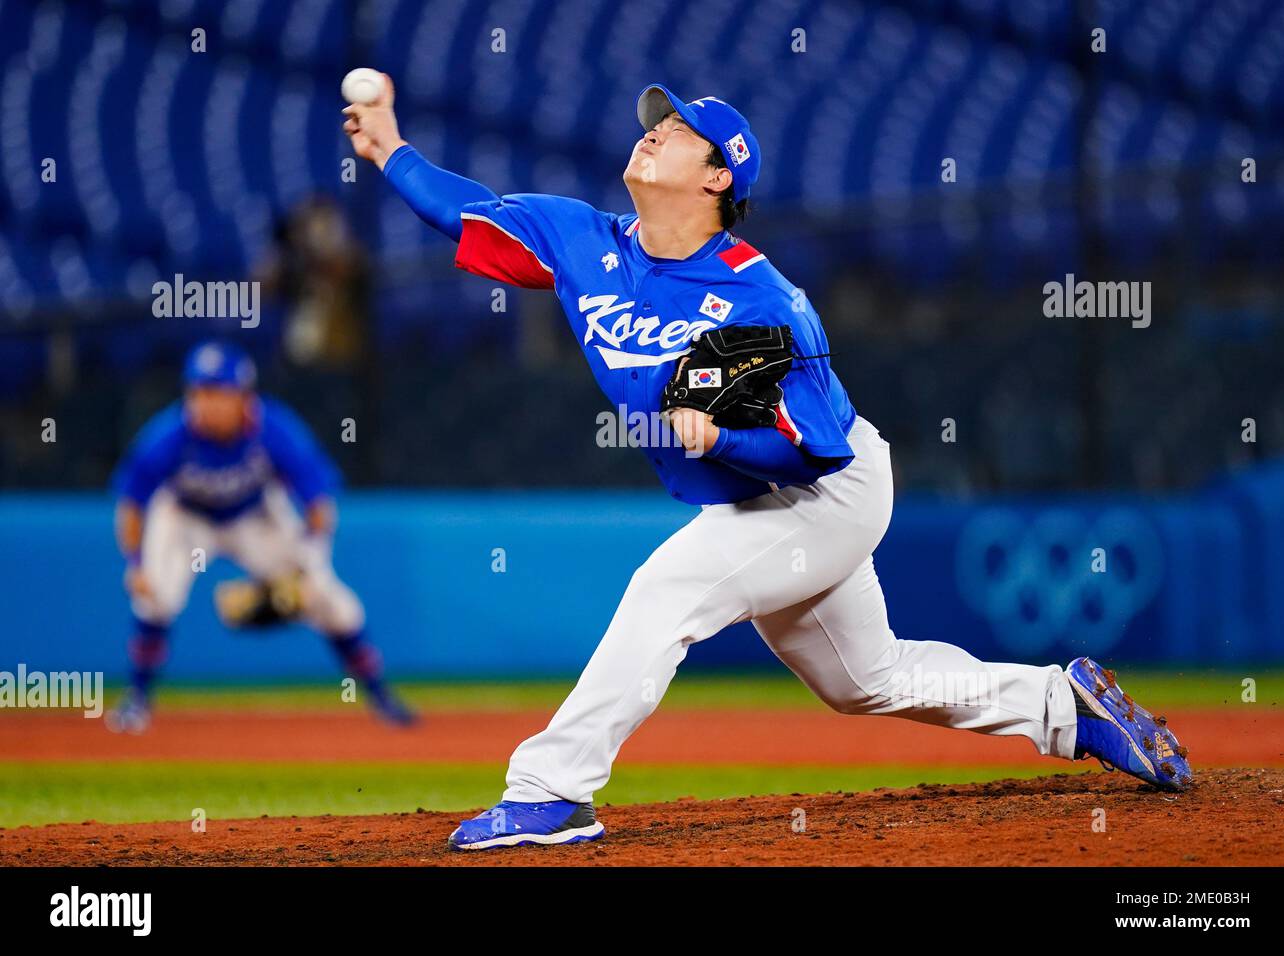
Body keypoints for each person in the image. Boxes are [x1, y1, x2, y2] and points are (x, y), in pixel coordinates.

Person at [343, 77, 1191, 850]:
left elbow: (815, 446)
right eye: (656, 124)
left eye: (677, 131)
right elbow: (470, 211)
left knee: (664, 591)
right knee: (866, 680)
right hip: (761, 502)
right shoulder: (582, 240)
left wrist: (721, 439)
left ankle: (551, 792)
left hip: (825, 489)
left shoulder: (759, 297)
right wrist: (389, 147)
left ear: (719, 179)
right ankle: (1063, 707)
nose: (653, 134)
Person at [106, 340, 413, 732]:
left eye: (219, 392)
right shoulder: (169, 434)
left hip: (255, 516)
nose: (207, 403)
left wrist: (311, 557)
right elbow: (131, 504)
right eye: (199, 392)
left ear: (243, 397)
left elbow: (318, 501)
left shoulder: (274, 428)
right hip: (185, 516)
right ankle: (136, 700)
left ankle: (379, 696)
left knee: (329, 599)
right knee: (154, 596)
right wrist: (134, 564)